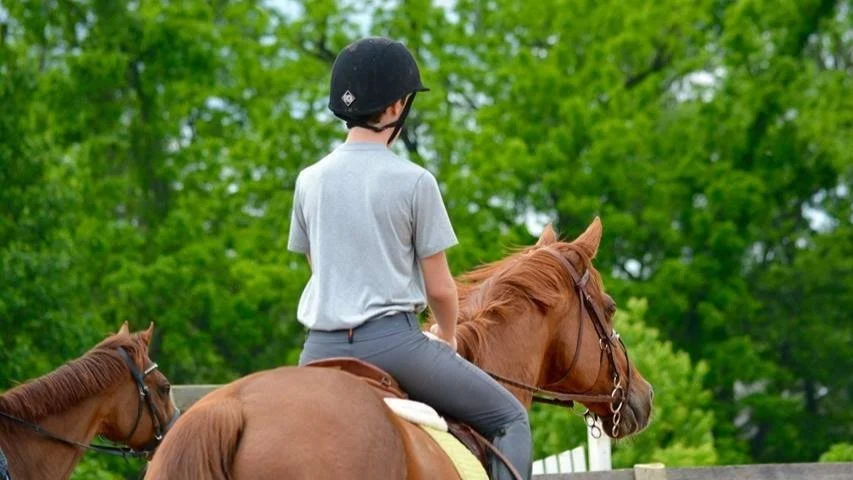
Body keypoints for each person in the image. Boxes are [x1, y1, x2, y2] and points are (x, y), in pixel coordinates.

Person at [288, 36, 531, 480]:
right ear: (398, 106)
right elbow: (440, 288)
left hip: (317, 350)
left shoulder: (309, 181)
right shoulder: (414, 181)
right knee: (510, 419)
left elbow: (321, 271)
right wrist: (449, 335)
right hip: (395, 347)